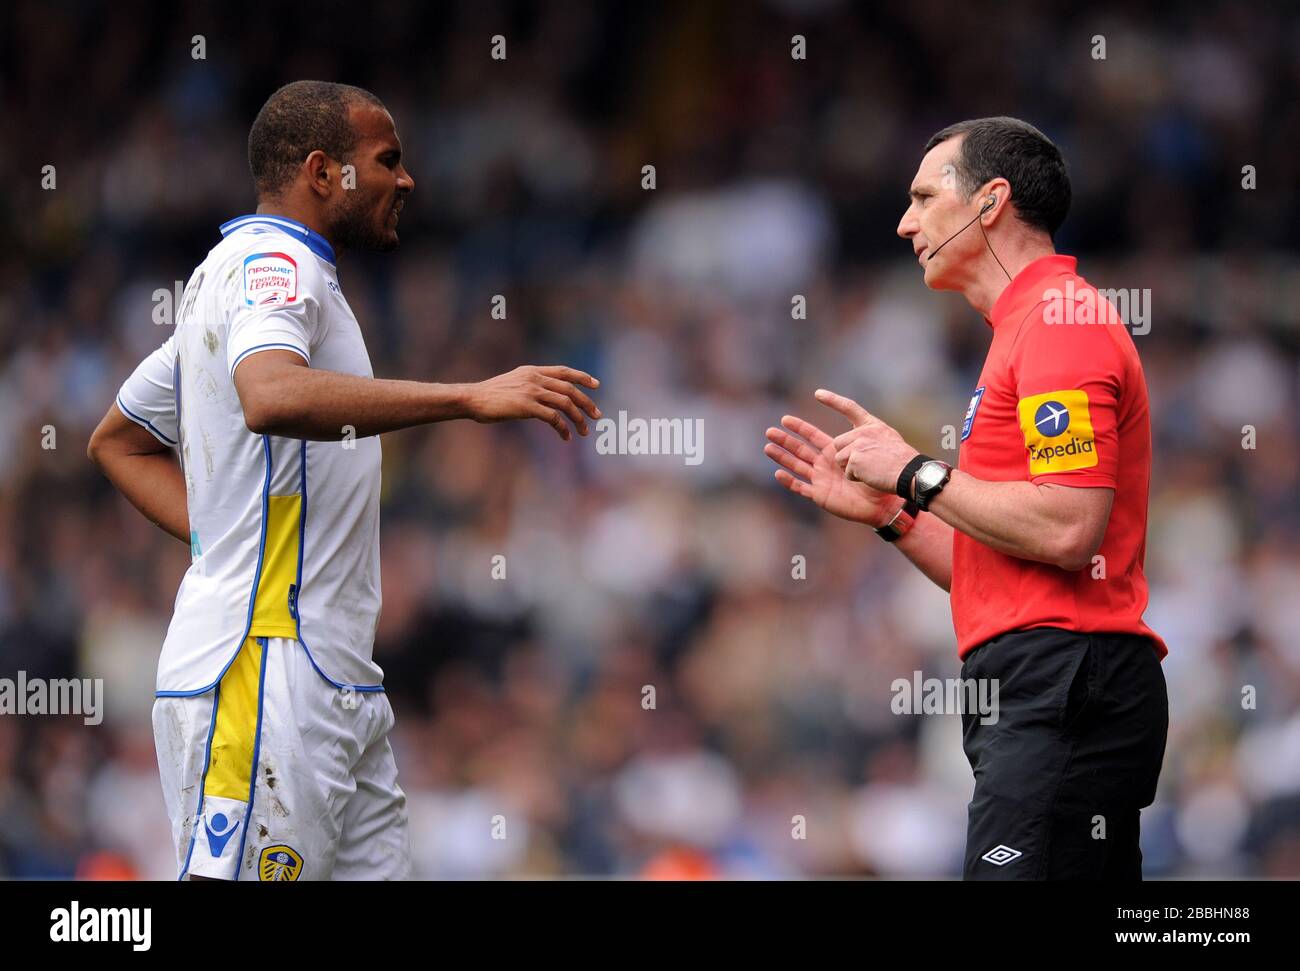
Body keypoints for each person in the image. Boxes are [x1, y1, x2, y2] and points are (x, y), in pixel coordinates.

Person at [87, 80, 601, 881]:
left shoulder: (241, 281)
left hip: (327, 675)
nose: (407, 180)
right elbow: (271, 394)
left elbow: (116, 442)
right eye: (386, 160)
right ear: (325, 172)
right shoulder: (274, 266)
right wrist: (468, 398)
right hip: (264, 668)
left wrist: (224, 540)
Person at [765, 116, 1168, 880]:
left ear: (990, 201)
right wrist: (892, 511)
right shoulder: (1024, 327)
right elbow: (1005, 561)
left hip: (1062, 679)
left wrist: (916, 472)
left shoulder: (1057, 319)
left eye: (923, 196)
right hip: (1049, 680)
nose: (904, 220)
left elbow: (1069, 527)